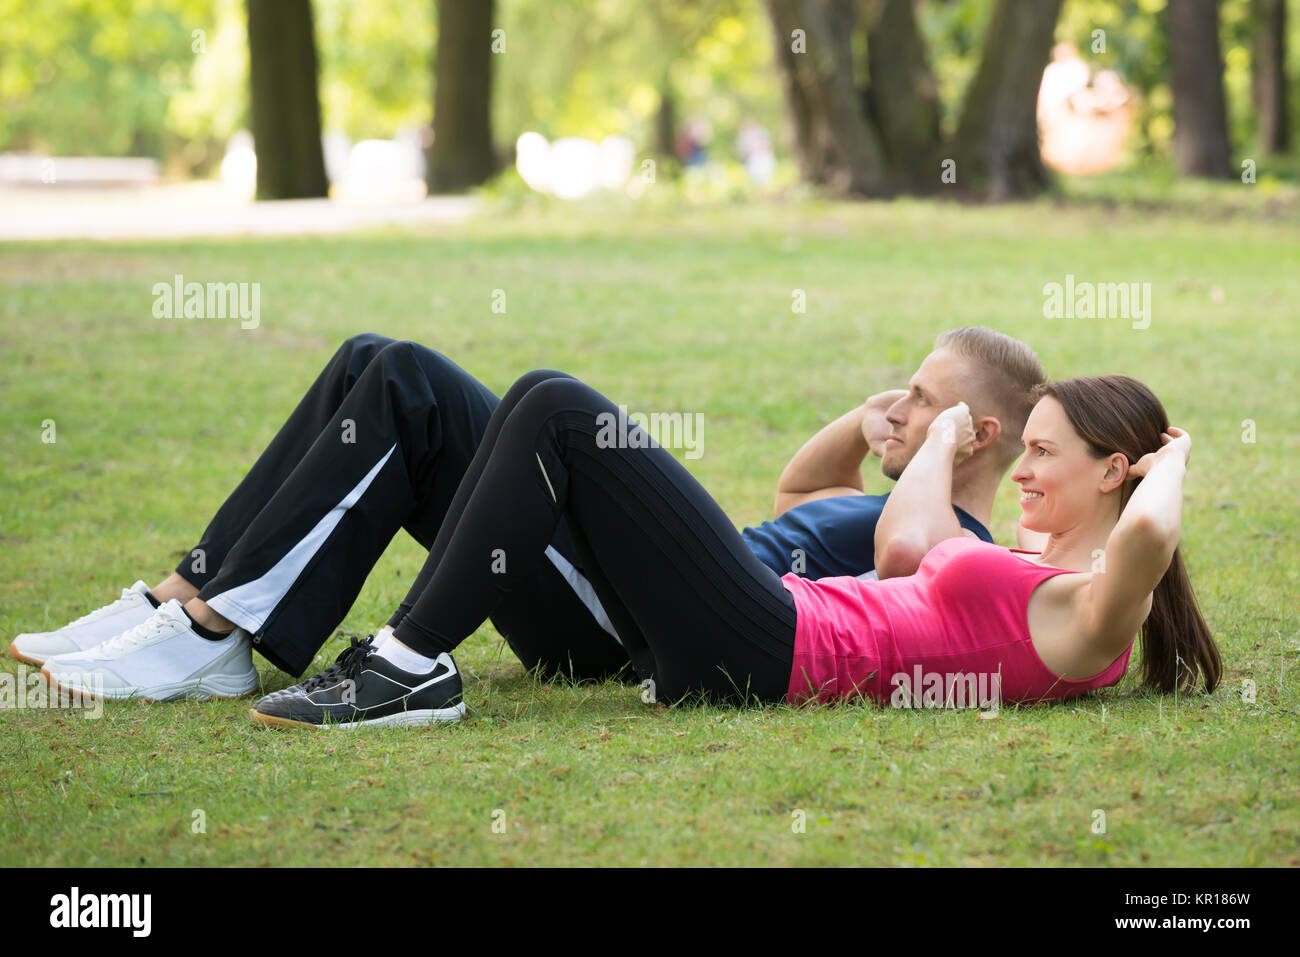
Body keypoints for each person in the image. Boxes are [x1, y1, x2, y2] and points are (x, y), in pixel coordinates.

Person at [19, 326, 1045, 706]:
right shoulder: (868, 506)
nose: (899, 408)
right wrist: (883, 416)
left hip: (623, 630)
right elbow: (794, 492)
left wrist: (939, 438)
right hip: (616, 581)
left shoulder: (955, 550)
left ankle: (215, 639)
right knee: (389, 369)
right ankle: (191, 595)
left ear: (979, 432)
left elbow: (909, 542)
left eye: (926, 397)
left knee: (548, 402)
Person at [228, 368, 1220, 729]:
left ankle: (407, 667)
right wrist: (945, 437)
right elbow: (902, 540)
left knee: (565, 409)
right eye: (1028, 447)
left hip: (772, 641)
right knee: (540, 401)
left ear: (1115, 469)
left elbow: (1147, 536)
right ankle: (401, 659)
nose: (1029, 471)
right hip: (759, 624)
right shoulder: (1033, 571)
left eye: (1046, 453)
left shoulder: (1092, 611)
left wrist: (1174, 460)